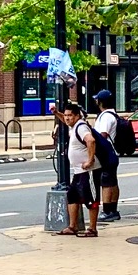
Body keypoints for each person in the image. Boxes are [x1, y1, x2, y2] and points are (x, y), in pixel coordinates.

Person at [55, 105, 100, 238]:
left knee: (91, 199)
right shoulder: (74, 126)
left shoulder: (81, 127)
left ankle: (92, 229)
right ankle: (72, 226)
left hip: (89, 170)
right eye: (66, 115)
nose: (67, 118)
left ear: (77, 116)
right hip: (79, 171)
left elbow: (91, 141)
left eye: (70, 115)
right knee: (72, 196)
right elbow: (65, 120)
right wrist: (57, 113)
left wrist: (90, 160)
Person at [93, 90, 121, 223]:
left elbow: (102, 135)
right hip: (112, 153)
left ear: (100, 102)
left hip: (106, 154)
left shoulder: (106, 117)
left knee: (106, 183)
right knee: (113, 182)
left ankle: (107, 211)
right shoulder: (112, 114)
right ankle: (113, 210)